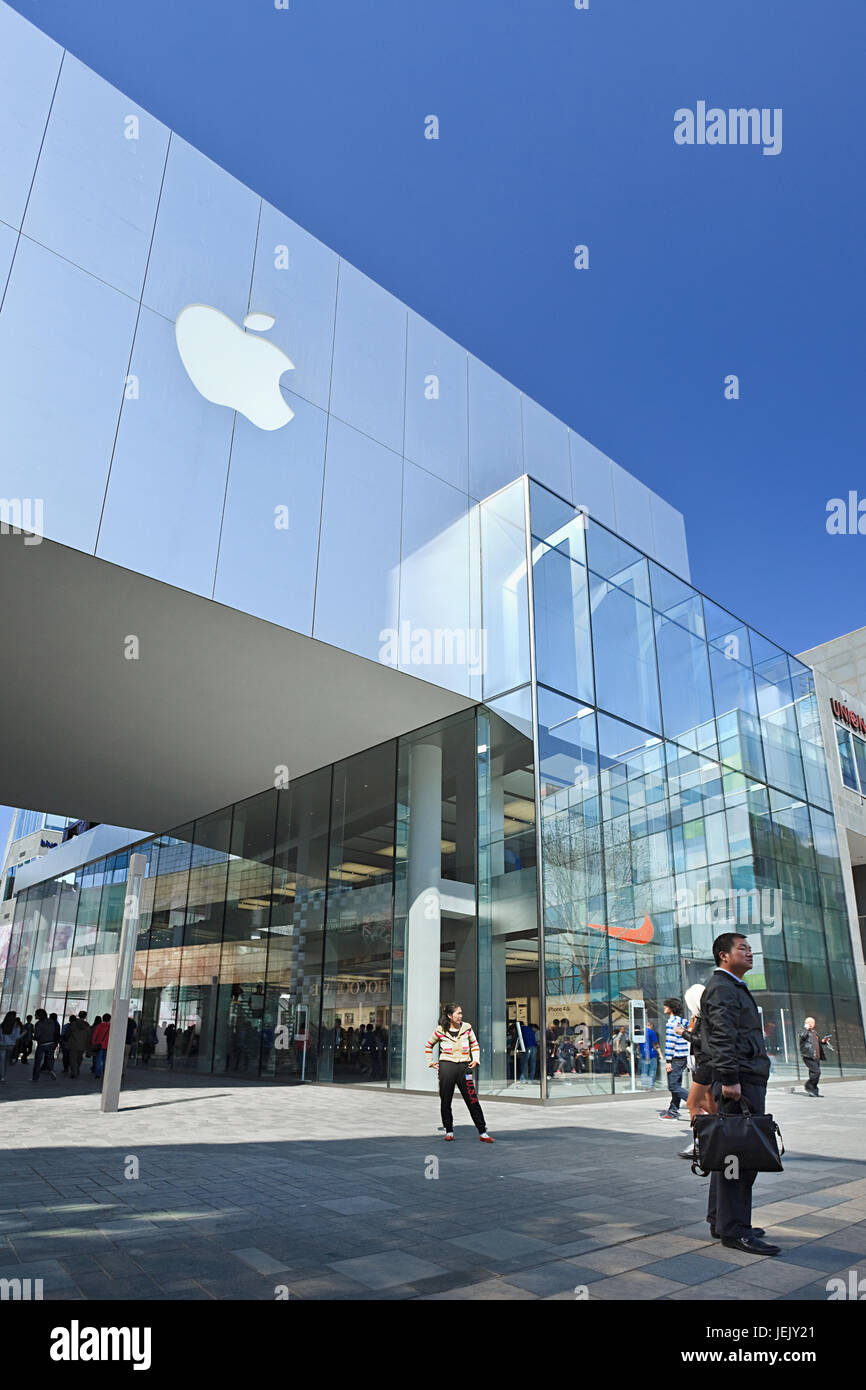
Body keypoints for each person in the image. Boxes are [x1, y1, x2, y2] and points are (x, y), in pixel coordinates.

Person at [701, 932, 778, 1256]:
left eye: (750, 948)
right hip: (740, 1083)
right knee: (739, 1157)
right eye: (742, 948)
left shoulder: (730, 987)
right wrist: (729, 1079)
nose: (749, 953)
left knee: (730, 1153)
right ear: (723, 955)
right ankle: (735, 1230)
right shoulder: (722, 988)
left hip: (743, 1079)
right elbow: (720, 1037)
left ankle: (723, 1221)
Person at [425, 1002, 494, 1142]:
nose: (460, 1016)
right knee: (446, 1100)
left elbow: (474, 1044)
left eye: (461, 1013)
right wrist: (430, 1061)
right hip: (447, 1067)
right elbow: (429, 1045)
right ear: (450, 1015)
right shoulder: (440, 1030)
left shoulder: (467, 1027)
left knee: (472, 1099)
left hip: (464, 1067)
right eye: (458, 1013)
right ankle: (449, 1130)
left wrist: (476, 1059)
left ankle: (482, 1132)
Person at [659, 997, 690, 1119]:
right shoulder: (682, 1021)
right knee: (676, 1084)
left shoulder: (671, 1023)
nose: (664, 1008)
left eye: (666, 1006)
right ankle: (673, 1111)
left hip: (676, 1057)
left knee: (673, 1086)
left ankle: (695, 1102)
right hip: (683, 1057)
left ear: (671, 1008)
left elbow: (670, 1044)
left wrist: (668, 1061)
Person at [798, 1016, 829, 1097]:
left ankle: (814, 1092)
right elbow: (803, 1036)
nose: (811, 1024)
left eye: (812, 1023)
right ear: (805, 1023)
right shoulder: (803, 1031)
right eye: (809, 1022)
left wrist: (824, 1041)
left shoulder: (814, 1032)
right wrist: (806, 1028)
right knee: (817, 1072)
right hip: (808, 1056)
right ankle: (808, 1085)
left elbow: (818, 1043)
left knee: (814, 1074)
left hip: (816, 1056)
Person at [31, 1008, 57, 1082]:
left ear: (39, 1015)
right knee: (50, 1058)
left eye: (36, 1014)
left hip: (42, 1044)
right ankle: (51, 1069)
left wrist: (32, 1036)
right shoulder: (51, 1022)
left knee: (38, 1061)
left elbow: (37, 1035)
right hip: (51, 1043)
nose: (35, 1015)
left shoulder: (38, 1024)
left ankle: (35, 1077)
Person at [66, 1012, 90, 1078]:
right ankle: (77, 1069)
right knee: (79, 1058)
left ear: (78, 1015)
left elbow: (67, 1033)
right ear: (85, 1017)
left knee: (73, 1059)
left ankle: (74, 1072)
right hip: (82, 1045)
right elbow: (89, 1035)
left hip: (73, 1044)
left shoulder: (73, 1024)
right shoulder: (87, 1025)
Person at [638, 1021, 660, 1088]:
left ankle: (644, 1084)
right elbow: (655, 1044)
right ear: (650, 1025)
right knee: (652, 1070)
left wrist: (638, 1052)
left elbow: (638, 1044)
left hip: (643, 1053)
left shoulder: (641, 1032)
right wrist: (660, 1053)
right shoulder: (652, 1032)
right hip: (651, 1053)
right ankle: (650, 1085)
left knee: (644, 1070)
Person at [0, 1011, 21, 1082]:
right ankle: (3, 1076)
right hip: (10, 1046)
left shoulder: (2, 1025)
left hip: (2, 1045)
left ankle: (2, 1076)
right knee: (6, 1061)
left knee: (2, 1061)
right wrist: (24, 1033)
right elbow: (16, 1037)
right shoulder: (16, 1027)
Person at [90, 1013, 111, 1082]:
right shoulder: (111, 1027)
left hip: (100, 1045)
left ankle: (97, 1074)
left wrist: (94, 1043)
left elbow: (94, 1035)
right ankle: (105, 1073)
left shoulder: (99, 1026)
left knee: (98, 1060)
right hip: (108, 1046)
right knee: (106, 1061)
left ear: (102, 1018)